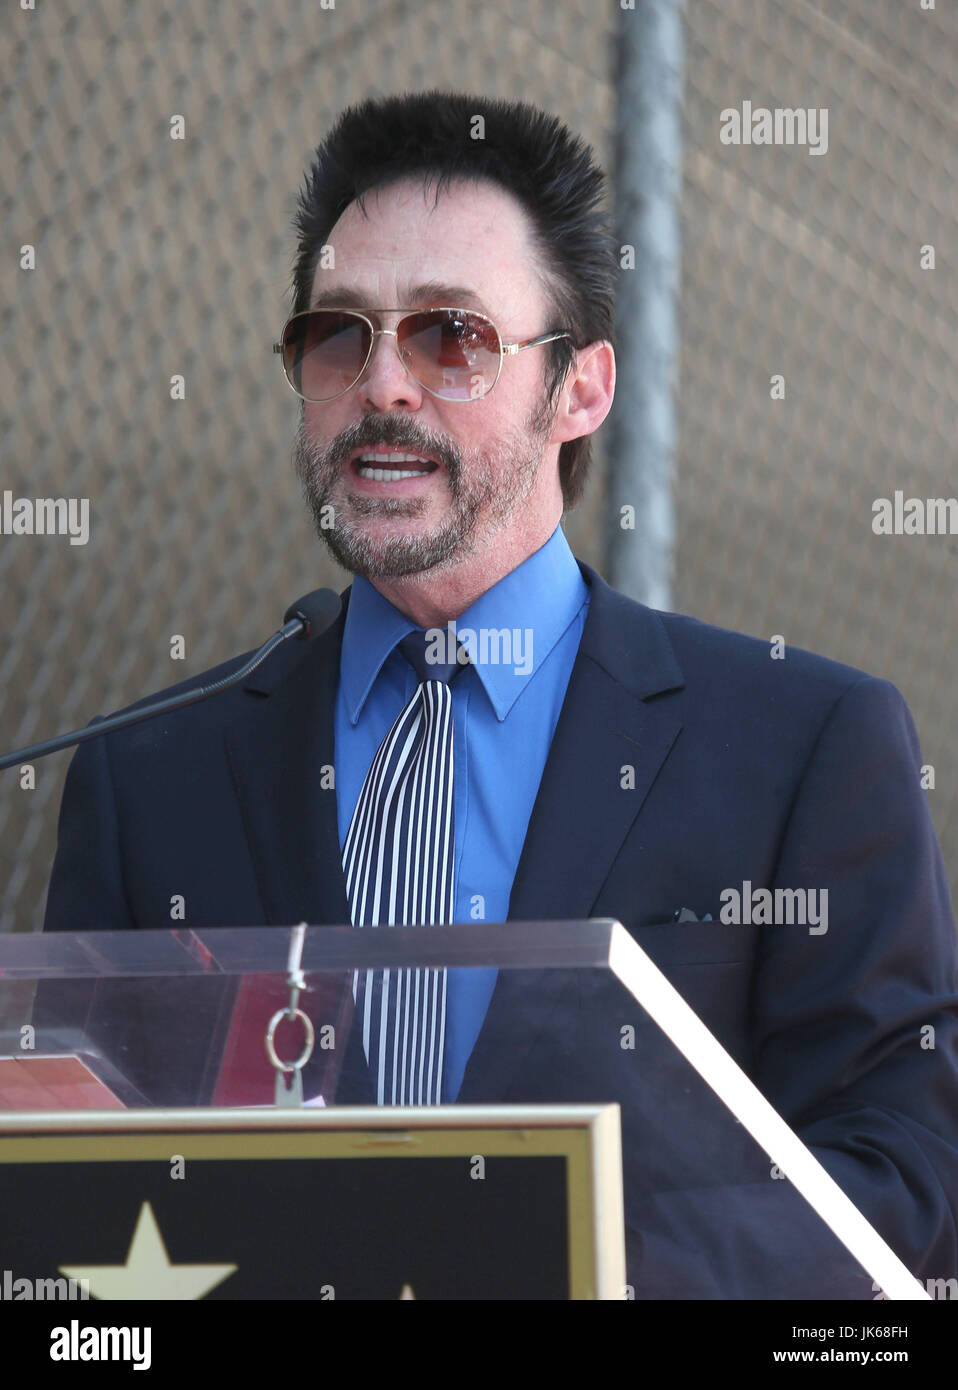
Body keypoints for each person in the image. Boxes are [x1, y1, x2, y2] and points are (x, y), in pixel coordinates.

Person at [44, 91, 958, 1298]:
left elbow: (906, 1166)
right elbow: (67, 1181)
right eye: (338, 336)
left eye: (450, 337)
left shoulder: (799, 746)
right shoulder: (145, 770)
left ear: (579, 388)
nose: (383, 387)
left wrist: (573, 1270)